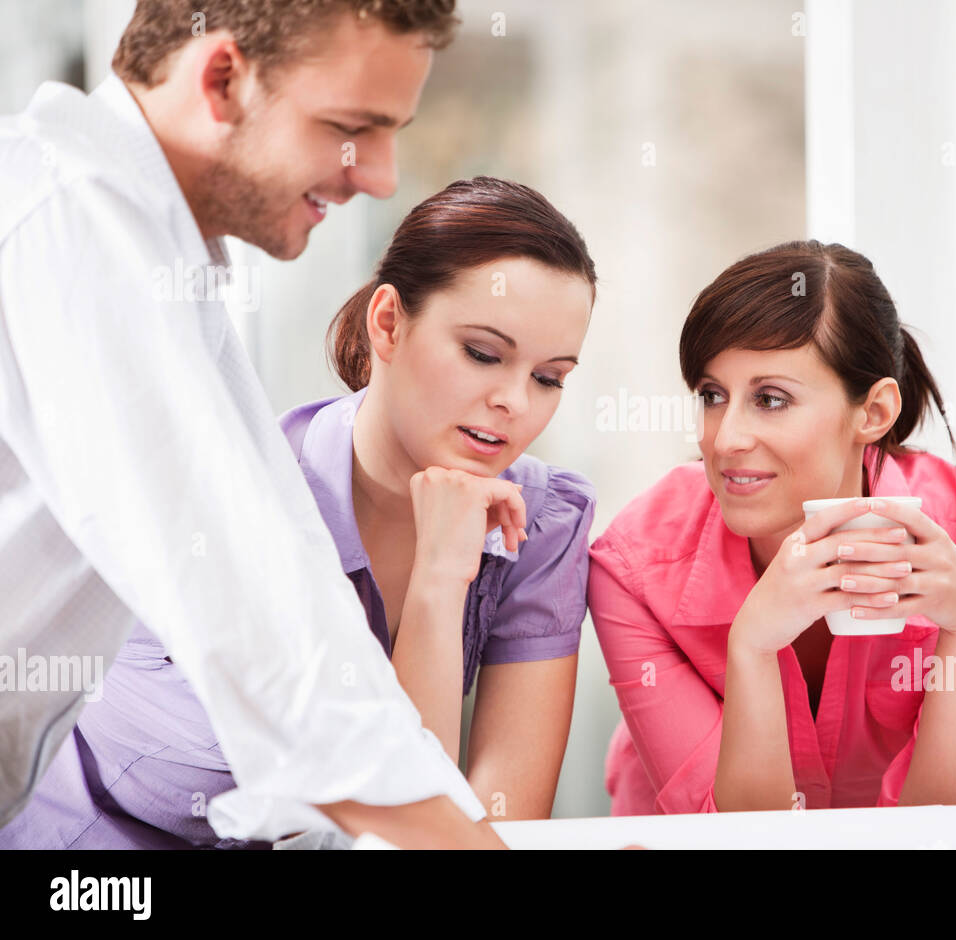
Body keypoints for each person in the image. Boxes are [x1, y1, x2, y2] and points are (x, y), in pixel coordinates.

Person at [0, 0, 511, 848]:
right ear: (223, 78)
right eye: (354, 127)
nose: (381, 176)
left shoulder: (166, 252)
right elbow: (261, 630)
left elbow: (291, 580)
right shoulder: (70, 212)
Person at [0, 177, 597, 848]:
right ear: (388, 324)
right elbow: (396, 827)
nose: (515, 402)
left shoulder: (538, 519)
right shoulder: (234, 500)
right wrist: (437, 579)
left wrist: (446, 575)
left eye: (550, 379)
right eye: (482, 354)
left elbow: (490, 821)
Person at [587, 241, 956, 821]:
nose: (724, 440)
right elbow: (736, 846)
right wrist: (752, 646)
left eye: (770, 399)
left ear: (874, 413)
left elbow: (950, 837)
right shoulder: (634, 567)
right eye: (712, 396)